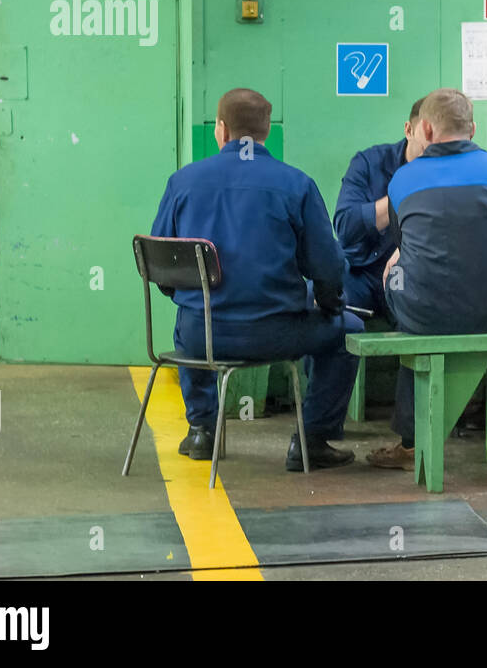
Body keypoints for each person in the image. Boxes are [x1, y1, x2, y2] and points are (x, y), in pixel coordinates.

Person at [150, 88, 359, 471]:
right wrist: (329, 304)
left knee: (188, 318)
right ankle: (311, 440)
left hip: (203, 337)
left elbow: (163, 271)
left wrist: (192, 299)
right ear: (266, 132)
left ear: (222, 129)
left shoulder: (183, 182)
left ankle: (202, 430)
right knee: (349, 330)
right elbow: (328, 267)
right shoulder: (296, 184)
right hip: (277, 334)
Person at [367, 88, 487, 470]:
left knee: (397, 278)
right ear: (473, 128)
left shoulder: (402, 179)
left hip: (421, 315)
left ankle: (411, 441)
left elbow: (405, 246)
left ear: (425, 129)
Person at [333, 98, 427, 315]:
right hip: (360, 272)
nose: (433, 156)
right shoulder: (369, 162)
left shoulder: (452, 173)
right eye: (426, 145)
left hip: (413, 277)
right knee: (316, 301)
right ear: (409, 130)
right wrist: (408, 188)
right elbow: (346, 228)